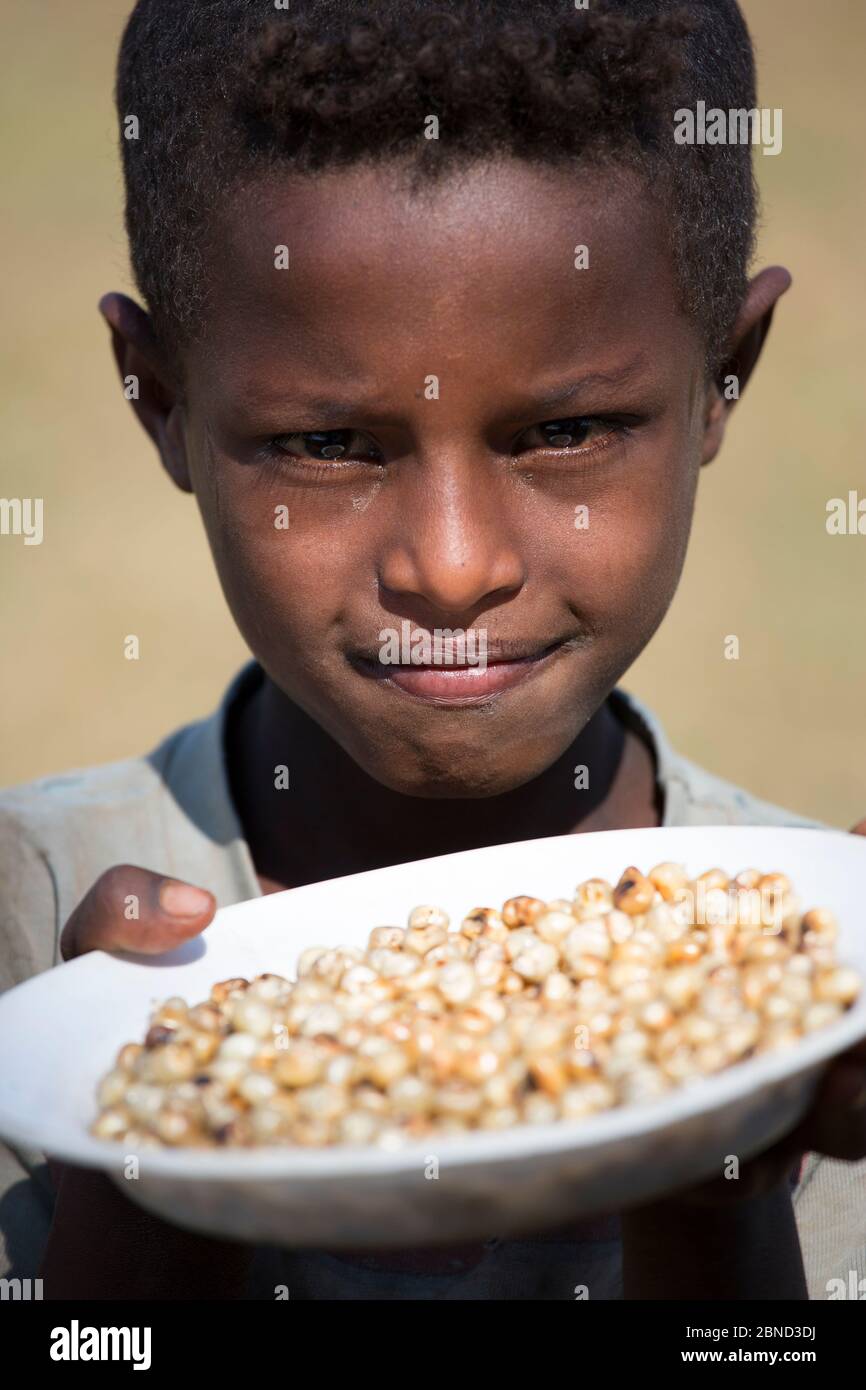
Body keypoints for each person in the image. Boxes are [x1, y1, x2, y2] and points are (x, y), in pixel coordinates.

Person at [1, 0, 864, 1300]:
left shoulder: (818, 978)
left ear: (721, 379)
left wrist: (719, 1169)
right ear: (161, 399)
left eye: (566, 429)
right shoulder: (36, 956)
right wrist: (151, 1167)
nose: (452, 566)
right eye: (330, 445)